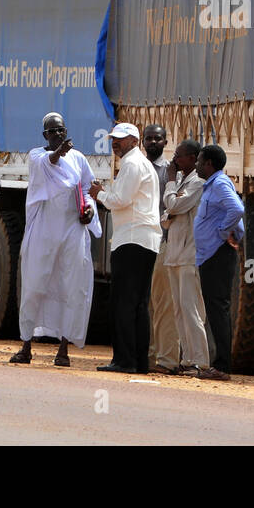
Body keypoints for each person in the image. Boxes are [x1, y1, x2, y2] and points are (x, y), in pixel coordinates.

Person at [10, 113, 102, 367]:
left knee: (71, 286)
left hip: (72, 230)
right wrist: (58, 153)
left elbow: (87, 188)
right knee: (34, 284)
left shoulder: (79, 158)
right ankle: (26, 345)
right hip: (43, 230)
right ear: (45, 136)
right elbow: (46, 165)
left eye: (61, 130)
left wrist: (89, 209)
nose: (58, 135)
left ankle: (63, 350)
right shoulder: (37, 156)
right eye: (52, 132)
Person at [89, 122, 160, 374]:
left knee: (123, 303)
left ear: (134, 140)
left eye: (121, 138)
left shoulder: (132, 163)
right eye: (113, 138)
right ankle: (138, 362)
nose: (115, 142)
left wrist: (98, 194)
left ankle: (125, 360)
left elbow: (119, 200)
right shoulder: (142, 164)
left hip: (131, 239)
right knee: (138, 304)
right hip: (144, 240)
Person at [192, 144, 245, 381]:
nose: (196, 165)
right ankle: (220, 363)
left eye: (199, 161)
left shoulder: (220, 183)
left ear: (209, 164)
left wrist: (224, 233)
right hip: (211, 254)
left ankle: (222, 366)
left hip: (217, 254)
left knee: (218, 310)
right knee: (215, 310)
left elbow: (236, 208)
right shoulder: (215, 184)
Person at [158, 139, 208, 375]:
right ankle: (187, 359)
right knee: (178, 309)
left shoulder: (197, 182)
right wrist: (172, 201)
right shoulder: (180, 181)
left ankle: (199, 360)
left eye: (179, 156)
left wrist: (169, 184)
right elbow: (167, 213)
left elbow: (173, 206)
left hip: (190, 254)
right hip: (174, 252)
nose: (174, 160)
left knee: (191, 309)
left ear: (192, 158)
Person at [142, 124, 179, 374]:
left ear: (166, 142)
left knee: (164, 304)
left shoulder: (169, 172)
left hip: (162, 243)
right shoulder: (137, 167)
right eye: (149, 138)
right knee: (146, 304)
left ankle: (166, 359)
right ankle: (150, 356)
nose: (153, 142)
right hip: (141, 244)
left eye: (158, 138)